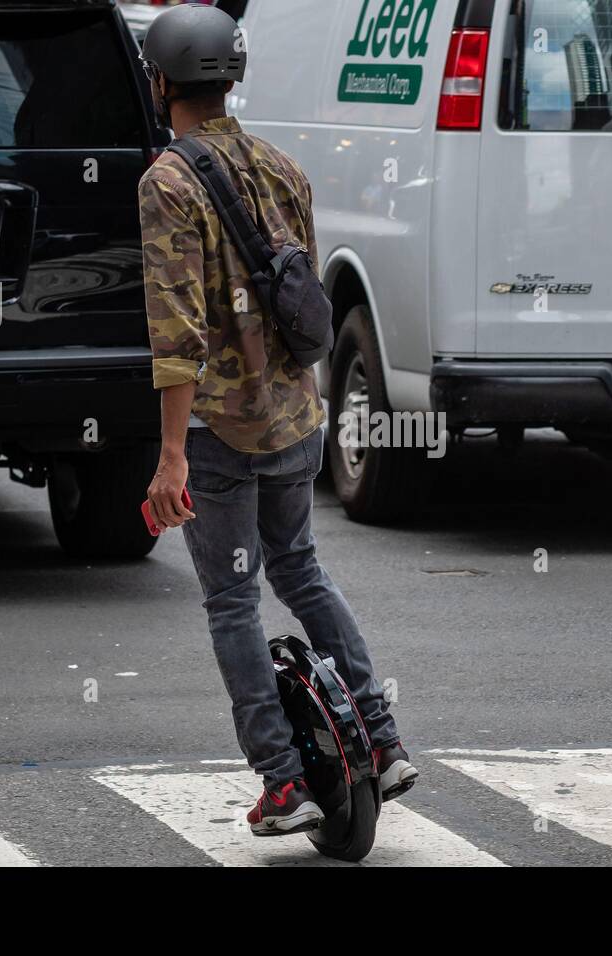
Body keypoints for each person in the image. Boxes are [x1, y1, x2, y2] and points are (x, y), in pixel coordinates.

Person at [137, 4, 418, 837]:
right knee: (301, 572)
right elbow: (304, 303)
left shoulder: (166, 182)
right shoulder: (283, 166)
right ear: (232, 77)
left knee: (231, 600)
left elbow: (176, 331)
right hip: (297, 417)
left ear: (161, 83)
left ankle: (284, 782)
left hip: (219, 432)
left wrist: (167, 457)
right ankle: (385, 738)